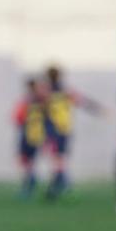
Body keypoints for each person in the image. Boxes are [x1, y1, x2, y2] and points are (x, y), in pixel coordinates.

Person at [41, 65, 103, 200]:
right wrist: (100, 110)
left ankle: (60, 183)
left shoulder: (46, 93)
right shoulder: (66, 92)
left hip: (52, 129)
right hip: (64, 129)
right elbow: (84, 102)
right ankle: (62, 182)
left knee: (56, 158)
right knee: (60, 158)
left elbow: (39, 111)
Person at [12, 76, 49, 198]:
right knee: (30, 161)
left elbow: (18, 118)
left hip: (27, 134)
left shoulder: (26, 102)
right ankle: (30, 181)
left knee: (24, 160)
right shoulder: (42, 102)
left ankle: (29, 182)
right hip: (37, 135)